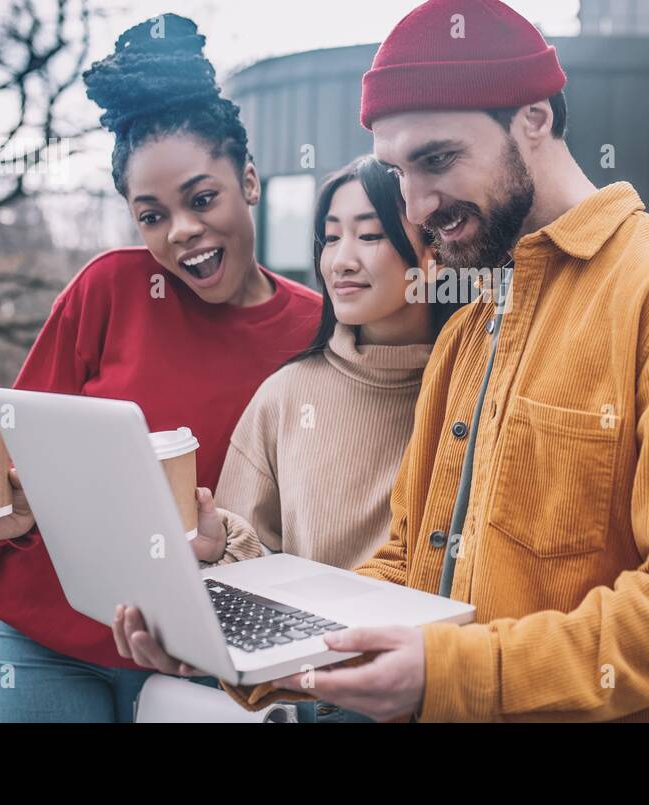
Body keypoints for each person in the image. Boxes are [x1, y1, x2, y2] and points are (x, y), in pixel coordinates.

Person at [117, 0, 649, 723]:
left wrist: (452, 672)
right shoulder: (472, 326)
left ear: (534, 117)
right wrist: (242, 642)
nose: (417, 204)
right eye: (399, 171)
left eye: (437, 159)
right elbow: (409, 565)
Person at [0, 13, 322, 722]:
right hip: (42, 640)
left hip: (203, 657)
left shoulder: (316, 329)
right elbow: (20, 448)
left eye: (202, 199)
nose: (183, 232)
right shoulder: (108, 289)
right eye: (152, 215)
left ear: (251, 181)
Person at [114, 155, 462, 722]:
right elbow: (242, 563)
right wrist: (211, 552)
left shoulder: (479, 387)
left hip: (447, 685)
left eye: (370, 235)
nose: (340, 260)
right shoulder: (286, 394)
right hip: (320, 693)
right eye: (329, 238)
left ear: (434, 254)